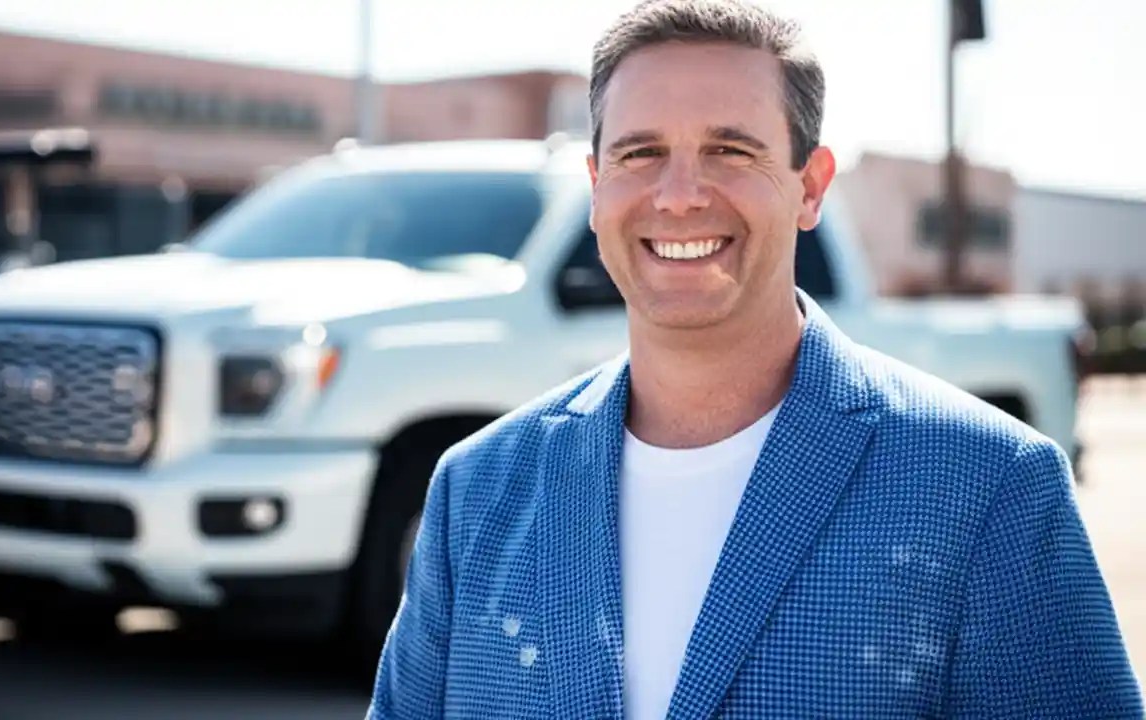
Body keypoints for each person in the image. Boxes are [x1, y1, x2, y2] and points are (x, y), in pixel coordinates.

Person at [367, 0, 1143, 717]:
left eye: (730, 150)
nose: (678, 195)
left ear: (811, 187)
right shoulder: (477, 491)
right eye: (641, 153)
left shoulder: (989, 487)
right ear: (597, 187)